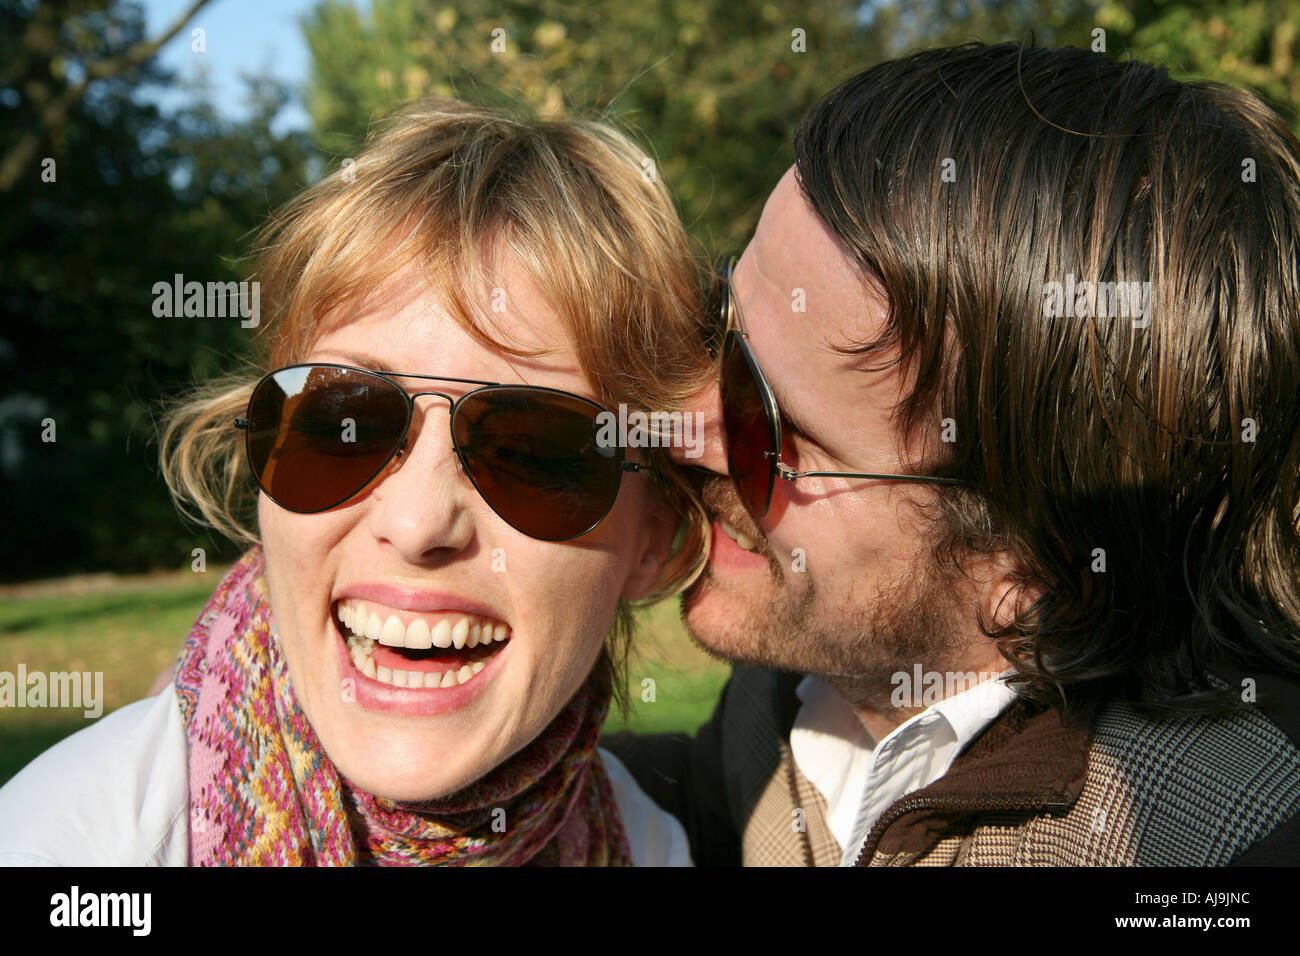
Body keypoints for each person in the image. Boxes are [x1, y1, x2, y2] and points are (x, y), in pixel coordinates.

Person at [608, 42, 1300, 866]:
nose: (678, 429)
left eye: (762, 420)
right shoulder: (804, 681)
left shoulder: (1211, 842)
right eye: (719, 328)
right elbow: (710, 804)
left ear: (1023, 571)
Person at [0, 98, 713, 866]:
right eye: (346, 424)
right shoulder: (71, 845)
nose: (416, 523)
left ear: (657, 536)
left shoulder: (649, 847)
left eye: (535, 451)